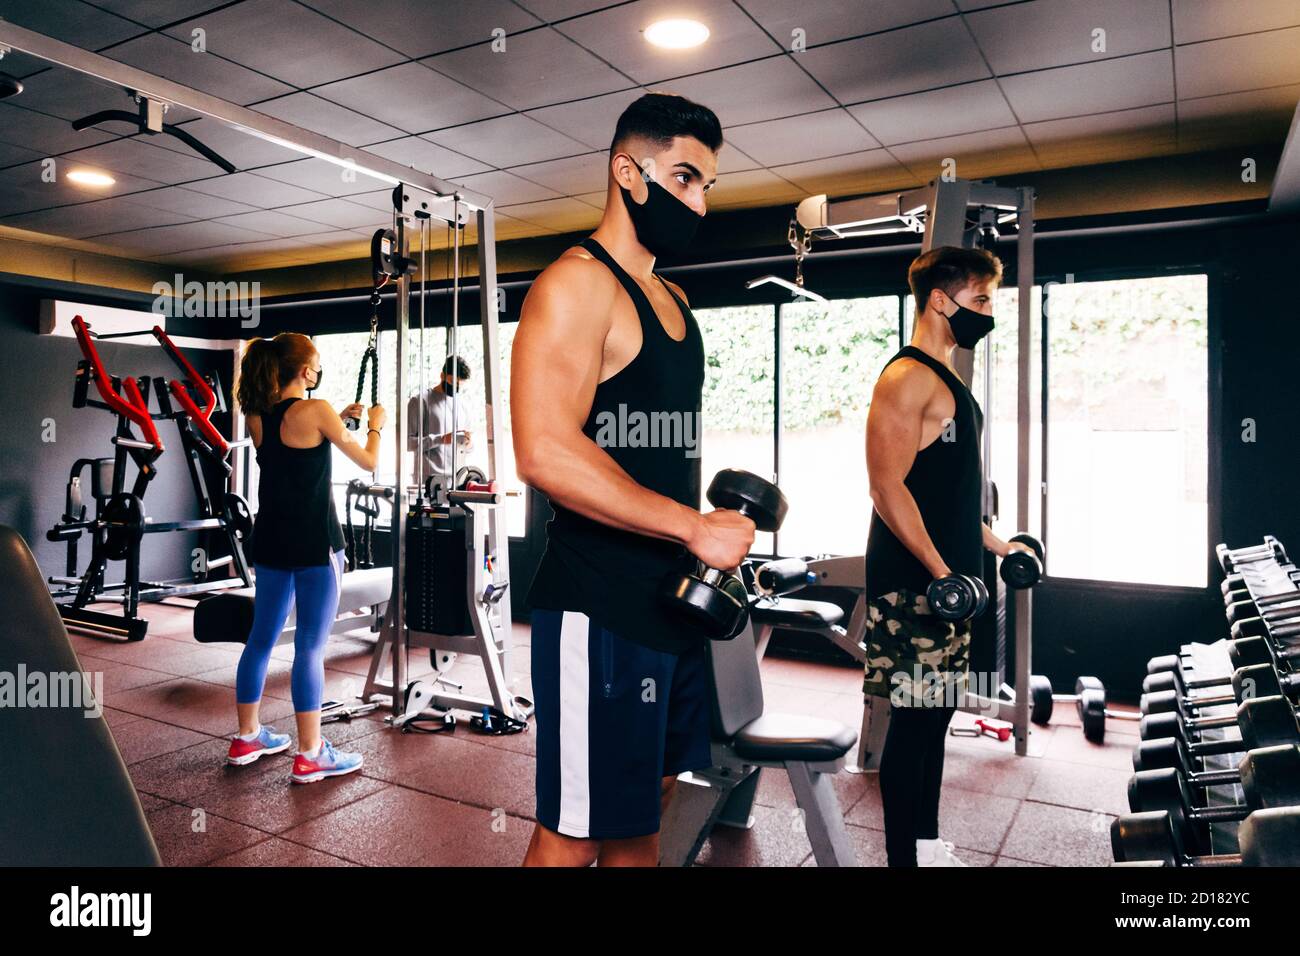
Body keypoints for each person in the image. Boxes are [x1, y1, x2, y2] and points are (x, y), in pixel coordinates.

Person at [512, 92, 753, 866]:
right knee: (573, 831)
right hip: (599, 603)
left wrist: (704, 518)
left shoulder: (673, 299)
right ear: (628, 169)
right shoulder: (577, 285)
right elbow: (545, 451)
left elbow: (644, 449)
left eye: (706, 186)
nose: (698, 203)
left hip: (669, 602)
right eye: (683, 178)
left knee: (643, 811)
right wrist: (691, 527)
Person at [863, 245, 1036, 866]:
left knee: (935, 721)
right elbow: (887, 488)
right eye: (981, 299)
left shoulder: (946, 379)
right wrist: (941, 575)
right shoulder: (905, 379)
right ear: (942, 300)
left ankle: (928, 847)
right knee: (913, 727)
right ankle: (904, 862)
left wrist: (997, 543)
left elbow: (949, 494)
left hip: (947, 587)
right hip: (916, 589)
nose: (988, 312)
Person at [230, 332, 387, 784]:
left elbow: (292, 443)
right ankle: (311, 753)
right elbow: (369, 462)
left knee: (260, 640)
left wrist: (340, 420)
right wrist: (375, 423)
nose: (318, 372)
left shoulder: (257, 414)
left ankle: (246, 736)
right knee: (310, 648)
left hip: (272, 542)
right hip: (316, 543)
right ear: (306, 370)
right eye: (315, 364)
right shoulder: (315, 412)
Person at [407, 355, 473, 490]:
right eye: (452, 382)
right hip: (428, 483)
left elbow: (470, 448)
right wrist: (441, 439)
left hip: (457, 481)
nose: (456, 388)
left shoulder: (464, 405)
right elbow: (407, 444)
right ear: (442, 375)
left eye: (460, 385)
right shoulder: (419, 401)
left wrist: (469, 443)